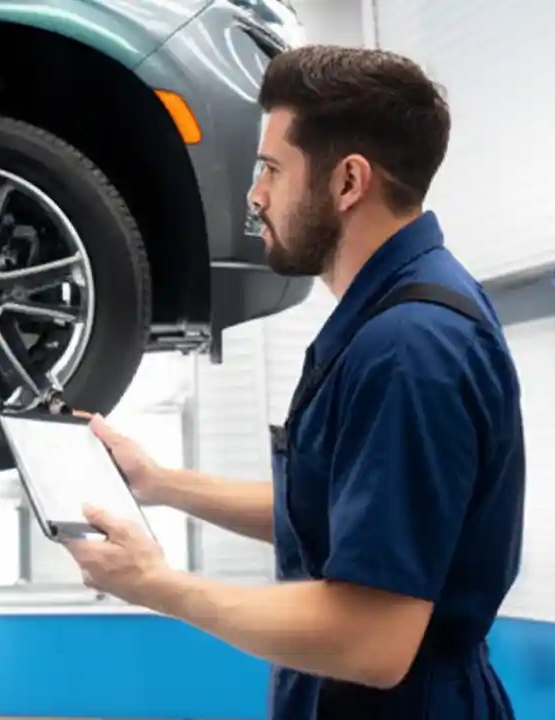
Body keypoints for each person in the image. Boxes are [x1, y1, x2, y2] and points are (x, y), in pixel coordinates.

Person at [63, 45, 525, 719]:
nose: (255, 195)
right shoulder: (392, 321)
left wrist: (159, 585)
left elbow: (373, 639)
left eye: (271, 170)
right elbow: (338, 517)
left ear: (347, 183)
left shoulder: (409, 348)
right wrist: (158, 483)